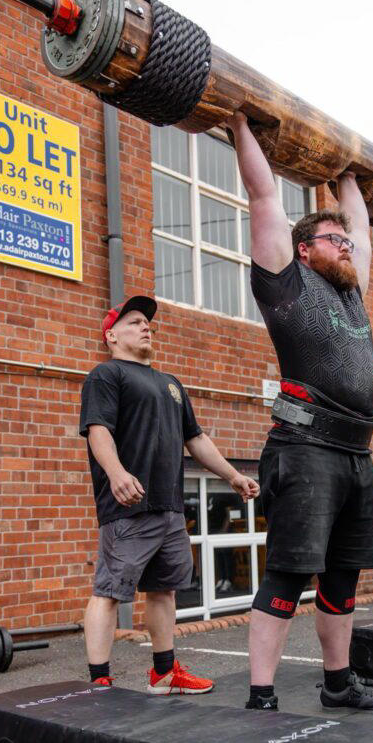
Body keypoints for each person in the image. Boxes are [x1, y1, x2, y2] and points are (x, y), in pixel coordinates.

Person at [227, 111, 373, 713]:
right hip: (305, 450)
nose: (346, 247)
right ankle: (261, 696)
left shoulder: (353, 292)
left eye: (347, 243)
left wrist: (351, 168)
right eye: (333, 240)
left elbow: (363, 231)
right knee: (289, 573)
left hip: (356, 454)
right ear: (303, 249)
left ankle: (337, 685)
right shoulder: (286, 282)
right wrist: (240, 122)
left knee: (343, 576)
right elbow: (263, 196)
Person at [80, 295, 260, 693]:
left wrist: (233, 475)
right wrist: (116, 473)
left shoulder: (171, 384)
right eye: (134, 322)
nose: (146, 326)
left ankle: (163, 675)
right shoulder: (106, 375)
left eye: (147, 322)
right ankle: (99, 683)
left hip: (169, 506)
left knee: (163, 590)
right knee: (109, 591)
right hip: (128, 505)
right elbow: (97, 429)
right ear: (112, 336)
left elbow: (196, 439)